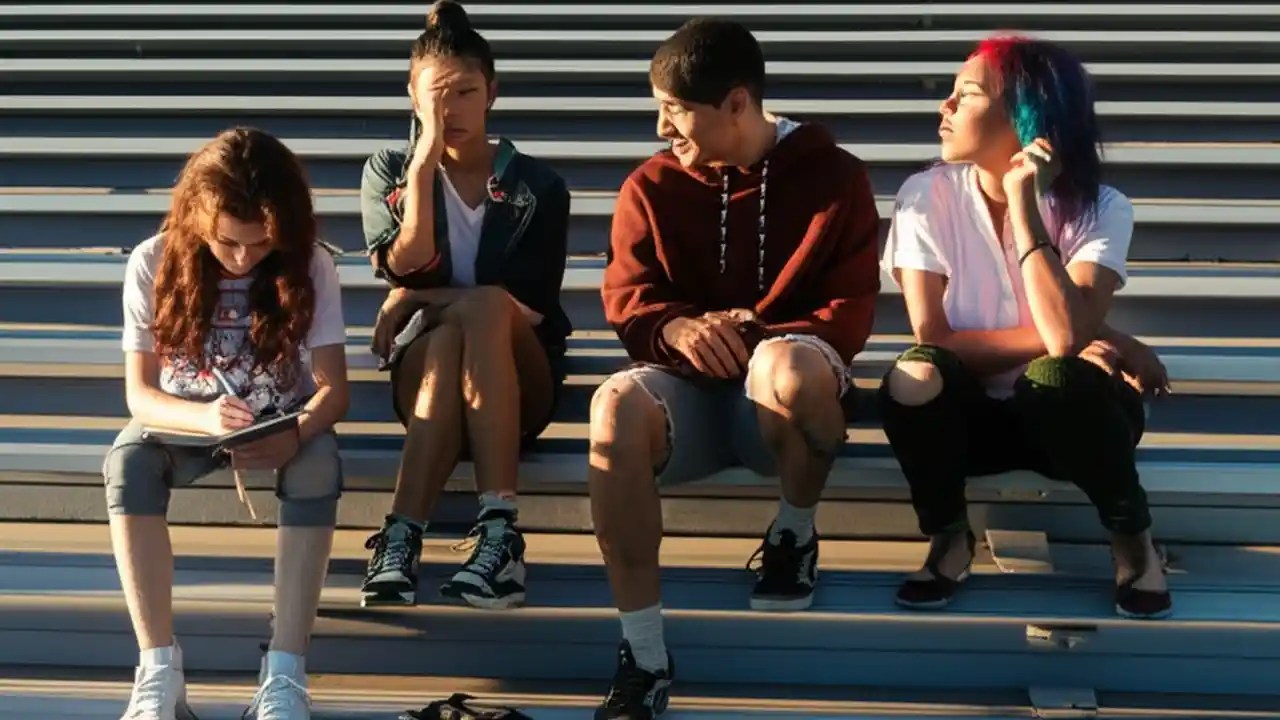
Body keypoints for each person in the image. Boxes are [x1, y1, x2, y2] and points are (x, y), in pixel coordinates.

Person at [587, 18, 881, 719]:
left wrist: (754, 331)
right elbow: (629, 299)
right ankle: (644, 652)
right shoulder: (649, 186)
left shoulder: (835, 178)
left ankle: (792, 534)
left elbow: (850, 311)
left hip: (776, 405)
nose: (662, 127)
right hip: (687, 399)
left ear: (738, 105)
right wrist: (677, 327)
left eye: (676, 109)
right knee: (613, 408)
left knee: (790, 367)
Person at [880, 35, 1174, 620]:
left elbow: (1064, 342)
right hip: (973, 427)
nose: (944, 107)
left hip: (1071, 425)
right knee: (915, 375)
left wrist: (1024, 204)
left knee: (1057, 378)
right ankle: (948, 538)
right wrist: (1113, 338)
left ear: (1027, 117)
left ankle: (1133, 543)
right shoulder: (924, 196)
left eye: (964, 95)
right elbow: (935, 340)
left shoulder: (1101, 206)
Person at [105, 127, 349, 720]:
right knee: (128, 462)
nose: (243, 257)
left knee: (318, 462)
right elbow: (140, 396)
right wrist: (204, 419)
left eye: (260, 243)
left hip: (278, 421)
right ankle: (158, 671)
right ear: (194, 216)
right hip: (190, 419)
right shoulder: (152, 261)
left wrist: (295, 430)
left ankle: (285, 672)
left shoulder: (310, 264)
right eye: (227, 243)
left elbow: (333, 391)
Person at [358, 0, 571, 610]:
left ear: (492, 93)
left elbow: (525, 308)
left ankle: (485, 532)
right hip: (427, 375)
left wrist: (415, 299)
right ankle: (429, 540)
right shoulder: (389, 170)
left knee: (482, 312)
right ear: (412, 96)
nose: (451, 111)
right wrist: (424, 161)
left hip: (520, 378)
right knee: (452, 333)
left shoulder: (539, 186)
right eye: (435, 97)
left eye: (466, 93)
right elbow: (409, 260)